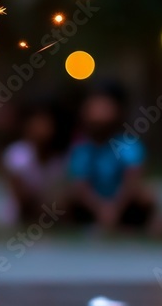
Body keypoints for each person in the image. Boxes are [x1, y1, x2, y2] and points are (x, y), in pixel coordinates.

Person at [65, 81, 156, 232]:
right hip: (91, 208)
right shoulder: (81, 148)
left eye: (104, 107)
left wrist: (115, 208)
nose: (98, 112)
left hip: (124, 206)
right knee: (65, 196)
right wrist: (100, 208)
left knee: (147, 195)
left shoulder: (128, 144)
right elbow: (80, 185)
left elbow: (132, 181)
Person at [2, 101, 68, 226]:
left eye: (47, 125)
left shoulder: (59, 161)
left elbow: (62, 201)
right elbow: (22, 198)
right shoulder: (16, 154)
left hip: (50, 223)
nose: (43, 130)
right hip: (18, 220)